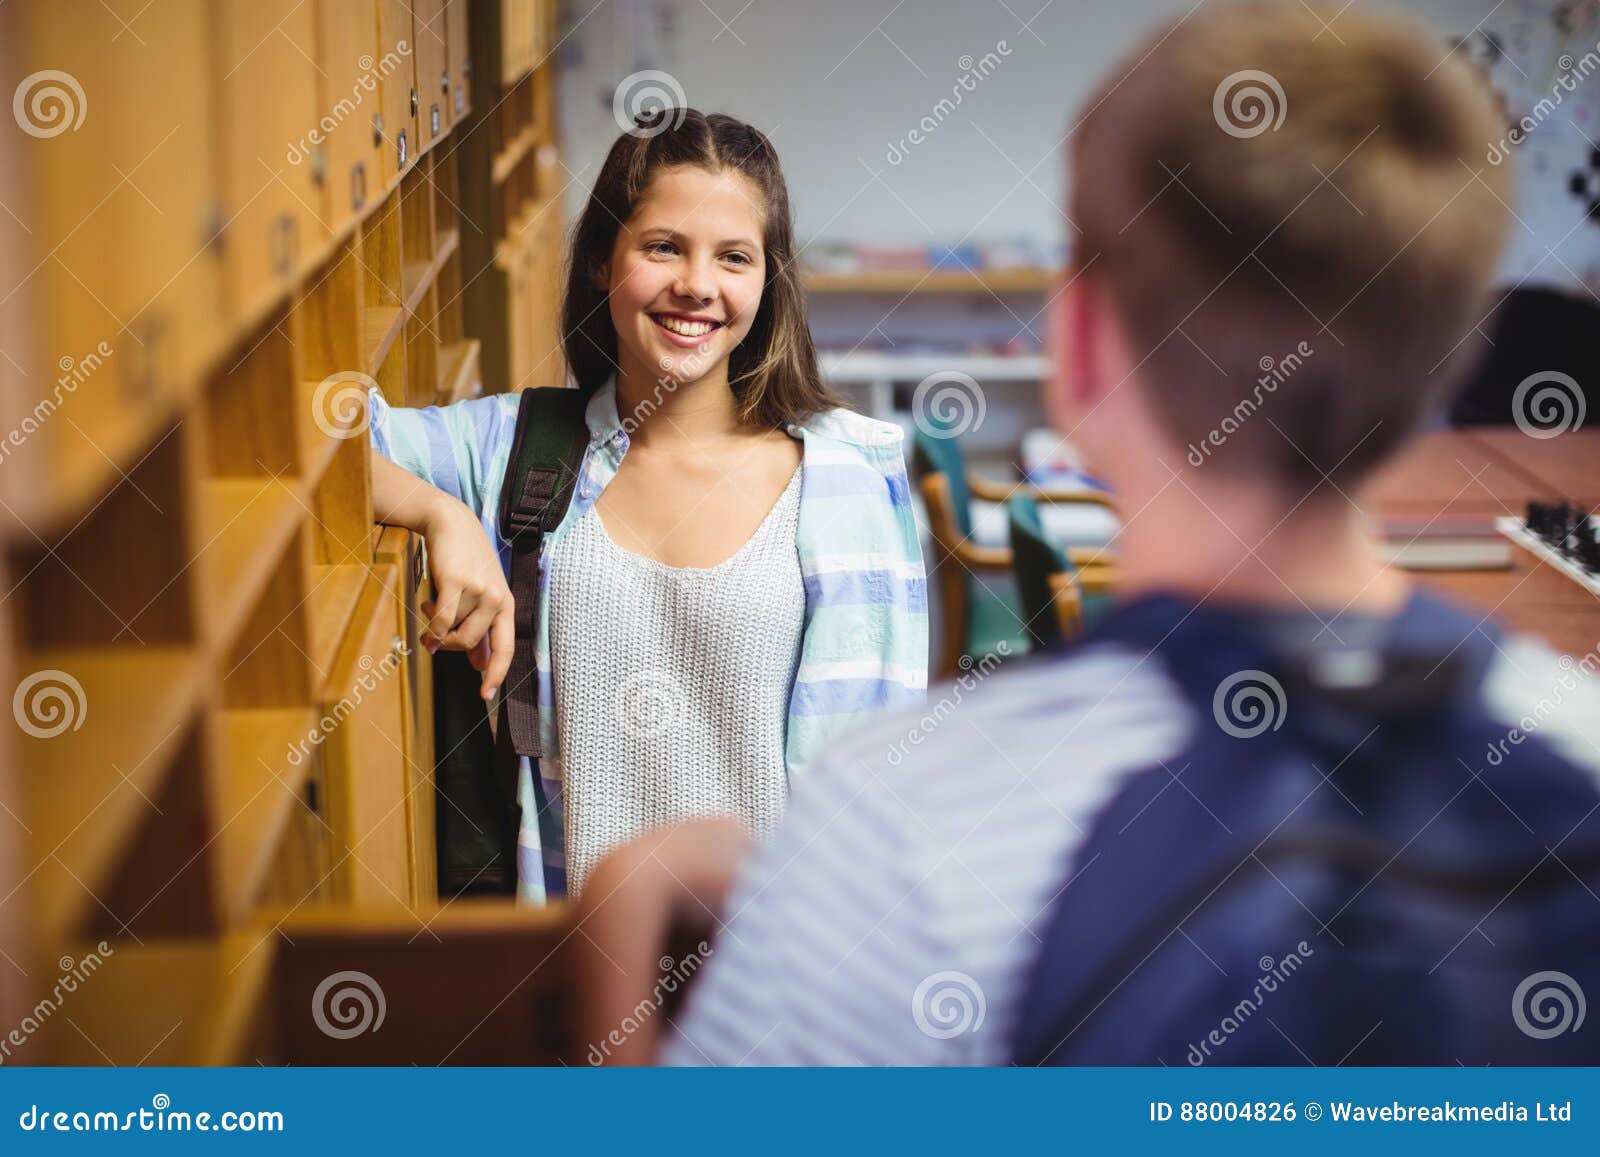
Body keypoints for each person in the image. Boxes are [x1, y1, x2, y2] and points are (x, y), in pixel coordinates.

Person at [572, 1, 1600, 1064]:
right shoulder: (1580, 740)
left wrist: (620, 906)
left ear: (1076, 346)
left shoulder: (893, 831)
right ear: (1445, 362)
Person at [368, 109, 927, 903]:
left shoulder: (845, 480)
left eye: (734, 256)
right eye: (663, 246)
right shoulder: (513, 447)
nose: (696, 284)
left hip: (770, 973)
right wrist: (440, 514)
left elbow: (875, 794)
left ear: (768, 282)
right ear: (602, 259)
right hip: (573, 972)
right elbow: (314, 437)